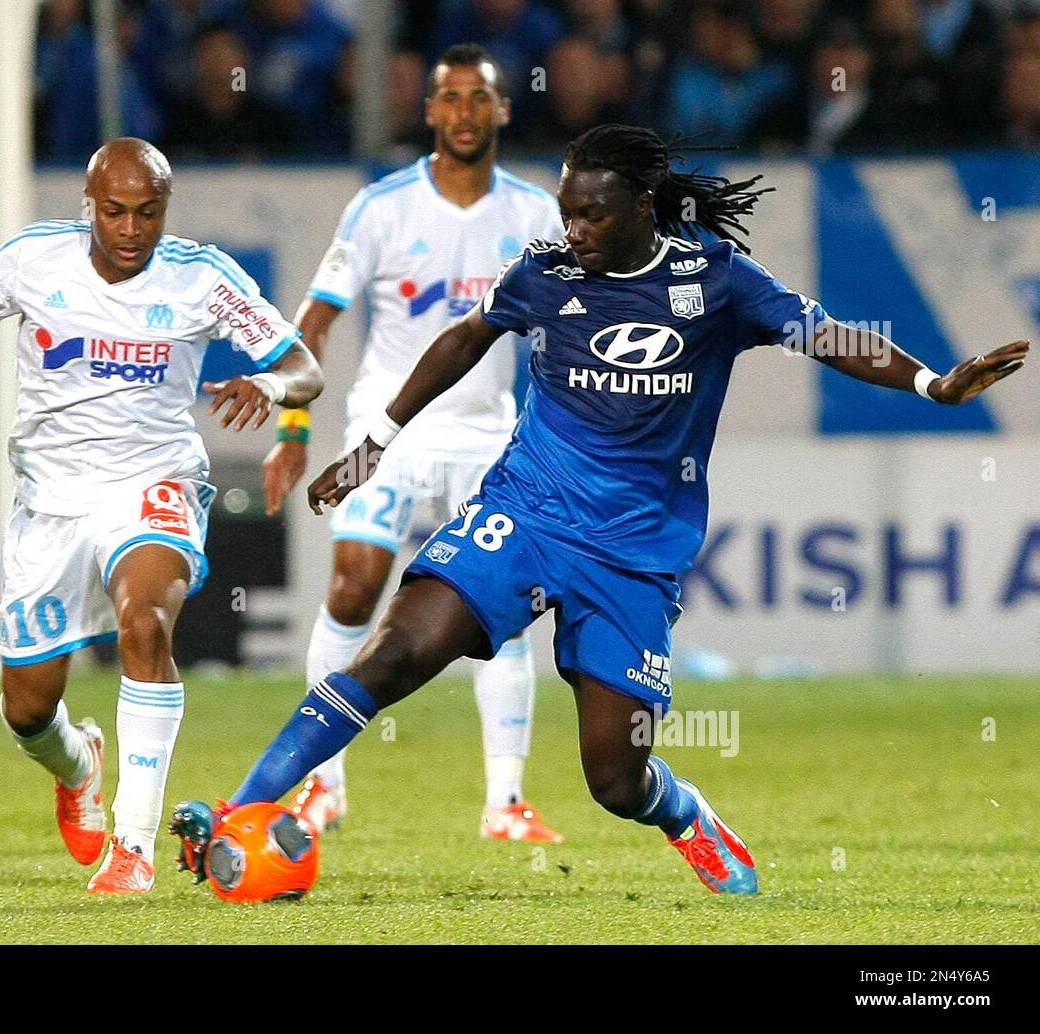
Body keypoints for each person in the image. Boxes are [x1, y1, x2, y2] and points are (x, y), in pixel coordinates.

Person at [172, 124, 1028, 895]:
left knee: (615, 780)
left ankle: (686, 814)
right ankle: (237, 806)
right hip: (527, 514)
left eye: (590, 215)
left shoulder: (718, 281)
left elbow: (830, 334)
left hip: (635, 554)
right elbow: (466, 337)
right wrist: (374, 442)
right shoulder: (543, 276)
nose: (572, 230)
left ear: (642, 208)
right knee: (395, 654)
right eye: (566, 212)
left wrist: (931, 382)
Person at [0, 138, 323, 894]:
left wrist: (270, 383)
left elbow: (306, 367)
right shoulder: (34, 258)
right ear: (88, 206)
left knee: (146, 625)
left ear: (167, 210)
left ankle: (132, 847)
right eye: (115, 211)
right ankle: (79, 763)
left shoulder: (202, 276)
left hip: (153, 481)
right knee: (28, 711)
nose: (131, 229)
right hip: (51, 502)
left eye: (148, 213)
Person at [262, 42, 565, 842]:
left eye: (480, 98)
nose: (464, 112)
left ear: (502, 109)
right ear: (429, 111)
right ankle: (323, 789)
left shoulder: (537, 215)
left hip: (489, 437)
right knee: (354, 591)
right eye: (450, 97)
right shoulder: (381, 206)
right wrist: (294, 430)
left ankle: (505, 803)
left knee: (494, 611)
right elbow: (314, 321)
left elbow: (572, 329)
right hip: (385, 433)